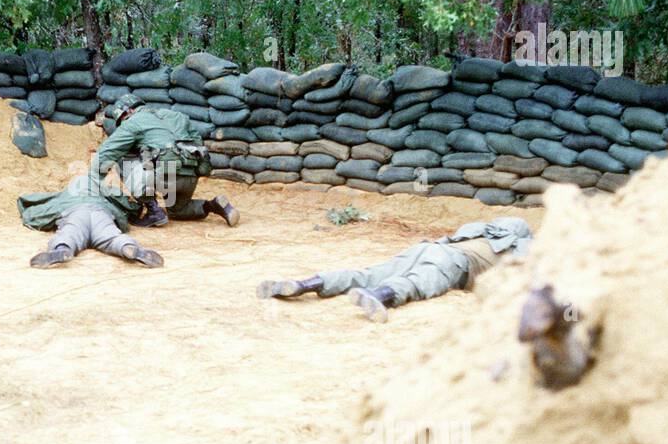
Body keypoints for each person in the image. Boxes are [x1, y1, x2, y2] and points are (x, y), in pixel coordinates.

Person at [257, 217, 532, 321]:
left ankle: (305, 284)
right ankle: (379, 296)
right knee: (416, 283)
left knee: (366, 272)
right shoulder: (520, 249)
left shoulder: (476, 230)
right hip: (454, 263)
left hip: (425, 247)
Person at [93, 94, 239, 228]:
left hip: (165, 174)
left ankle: (153, 210)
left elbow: (107, 152)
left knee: (121, 158)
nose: (123, 121)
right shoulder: (177, 116)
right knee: (178, 210)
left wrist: (92, 180)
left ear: (130, 110)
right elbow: (197, 142)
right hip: (189, 175)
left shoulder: (133, 122)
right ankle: (213, 205)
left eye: (123, 117)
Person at [19, 173, 164, 269]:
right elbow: (123, 201)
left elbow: (39, 214)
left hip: (76, 213)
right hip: (101, 213)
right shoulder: (103, 192)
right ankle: (128, 247)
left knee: (69, 234)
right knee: (112, 237)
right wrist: (134, 209)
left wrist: (28, 214)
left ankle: (62, 249)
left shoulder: (66, 195)